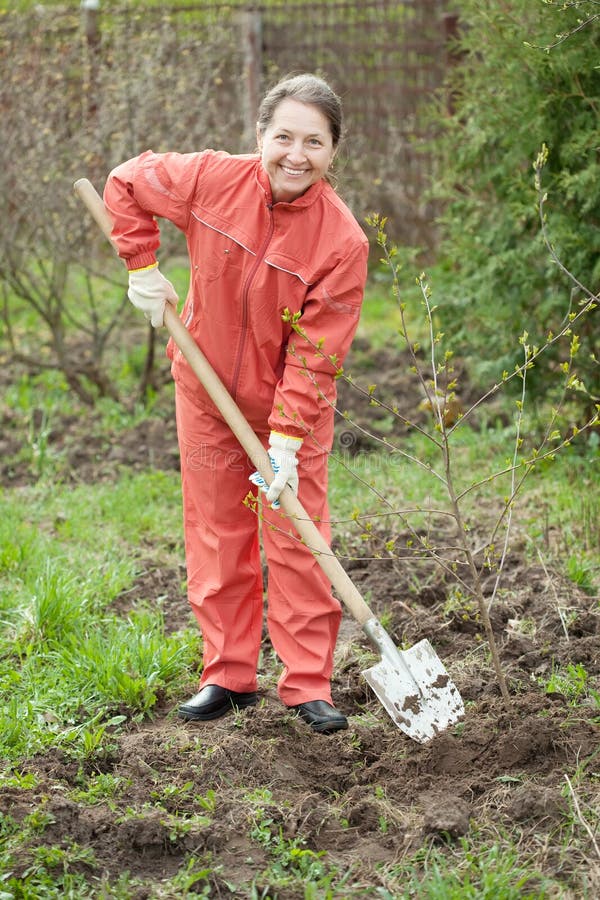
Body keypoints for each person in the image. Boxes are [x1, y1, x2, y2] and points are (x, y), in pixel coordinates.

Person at [103, 73, 369, 734]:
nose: (296, 154)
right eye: (284, 136)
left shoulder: (342, 242)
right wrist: (141, 266)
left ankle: (307, 684)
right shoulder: (212, 179)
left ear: (334, 152)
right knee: (219, 534)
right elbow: (126, 181)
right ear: (260, 137)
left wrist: (284, 439)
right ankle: (227, 674)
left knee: (297, 540)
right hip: (205, 393)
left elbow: (317, 351)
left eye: (315, 141)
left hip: (292, 415)